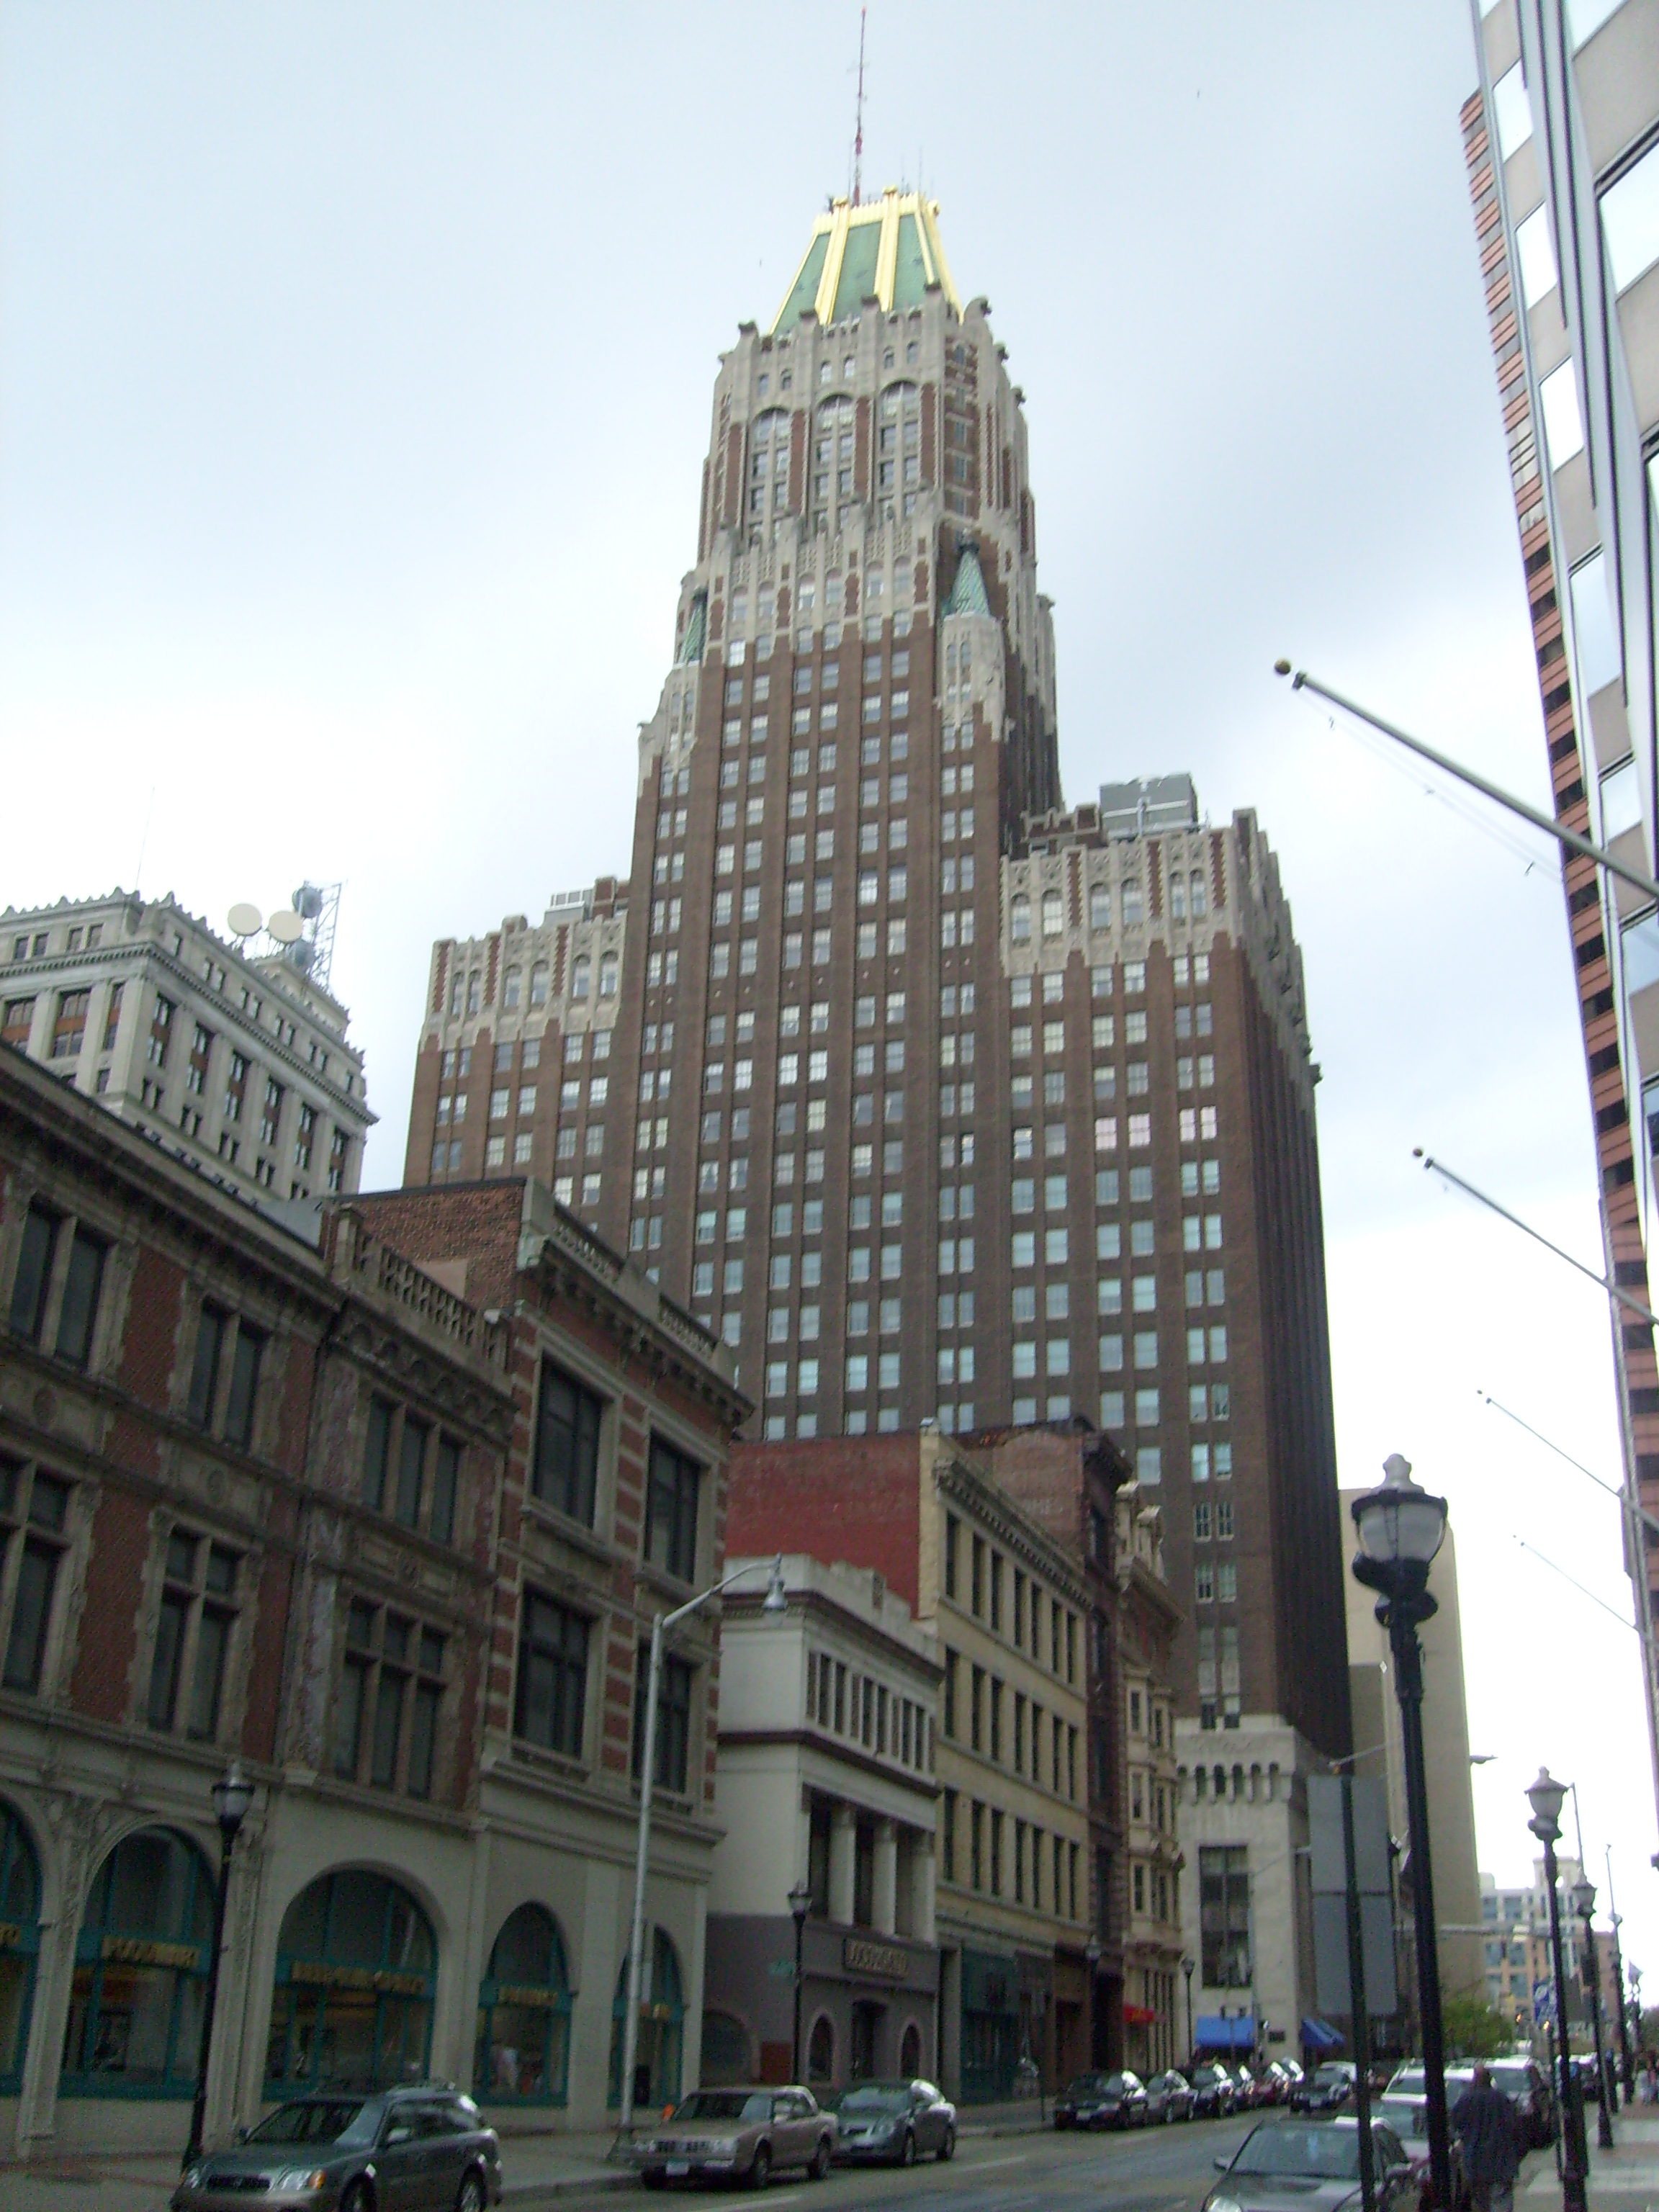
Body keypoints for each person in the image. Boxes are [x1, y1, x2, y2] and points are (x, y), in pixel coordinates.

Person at [1452, 2064, 1524, 2212]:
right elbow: (1514, 2128)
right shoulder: (1501, 2099)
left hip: (1475, 2163)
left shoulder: (1466, 2100)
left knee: (1481, 2202)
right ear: (1489, 2079)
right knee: (1501, 2200)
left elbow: (1455, 2124)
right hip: (1500, 2162)